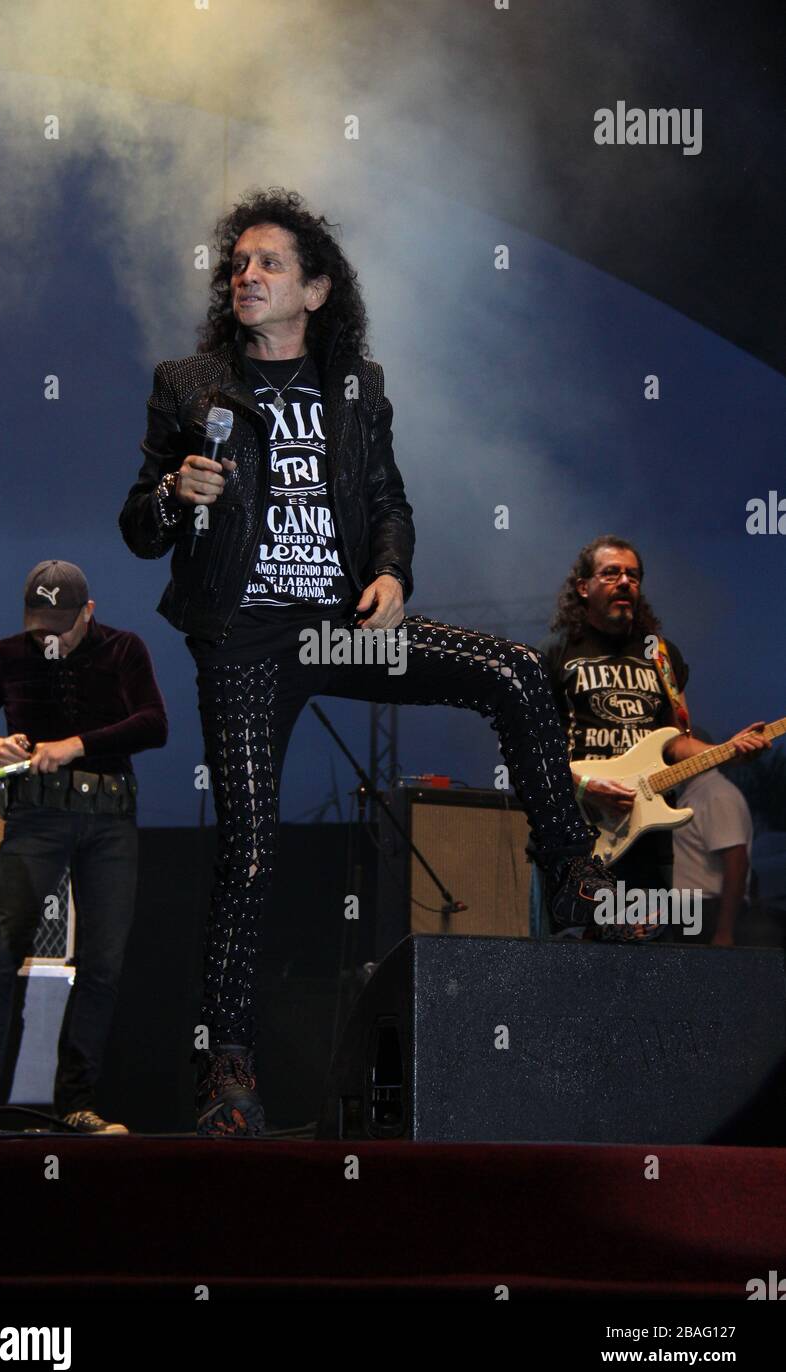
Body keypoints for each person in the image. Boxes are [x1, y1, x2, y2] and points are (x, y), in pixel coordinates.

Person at [119, 189, 652, 1141]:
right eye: (238, 264)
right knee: (247, 851)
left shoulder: (357, 386)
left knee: (517, 670)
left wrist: (393, 573)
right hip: (244, 639)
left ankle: (573, 879)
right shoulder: (188, 382)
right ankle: (226, 1071)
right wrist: (172, 491)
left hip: (342, 621)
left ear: (316, 289)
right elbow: (137, 530)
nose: (247, 276)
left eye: (270, 264)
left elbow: (389, 500)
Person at [0, 560, 168, 1134]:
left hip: (108, 819)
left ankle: (76, 1101)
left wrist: (77, 745)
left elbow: (153, 724)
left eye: (62, 624)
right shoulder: (8, 655)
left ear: (88, 612)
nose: (51, 635)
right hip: (36, 818)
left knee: (102, 964)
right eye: (41, 622)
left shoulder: (124, 650)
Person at [538, 536, 768, 939]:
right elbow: (534, 749)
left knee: (645, 960)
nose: (624, 581)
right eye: (611, 573)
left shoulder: (661, 656)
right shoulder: (555, 654)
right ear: (583, 586)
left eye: (633, 575)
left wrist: (729, 752)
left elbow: (677, 742)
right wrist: (588, 787)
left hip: (648, 834)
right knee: (572, 957)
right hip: (577, 830)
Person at [671, 738, 754, 946]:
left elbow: (737, 861)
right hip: (690, 911)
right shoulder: (695, 793)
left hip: (708, 911)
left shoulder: (717, 794)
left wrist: (724, 931)